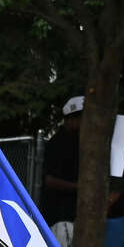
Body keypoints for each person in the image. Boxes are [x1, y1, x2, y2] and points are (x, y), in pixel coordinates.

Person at [42, 96, 83, 231]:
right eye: (81, 118)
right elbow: (50, 180)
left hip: (72, 214)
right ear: (71, 119)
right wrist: (78, 187)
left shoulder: (80, 143)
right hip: (58, 216)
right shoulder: (57, 143)